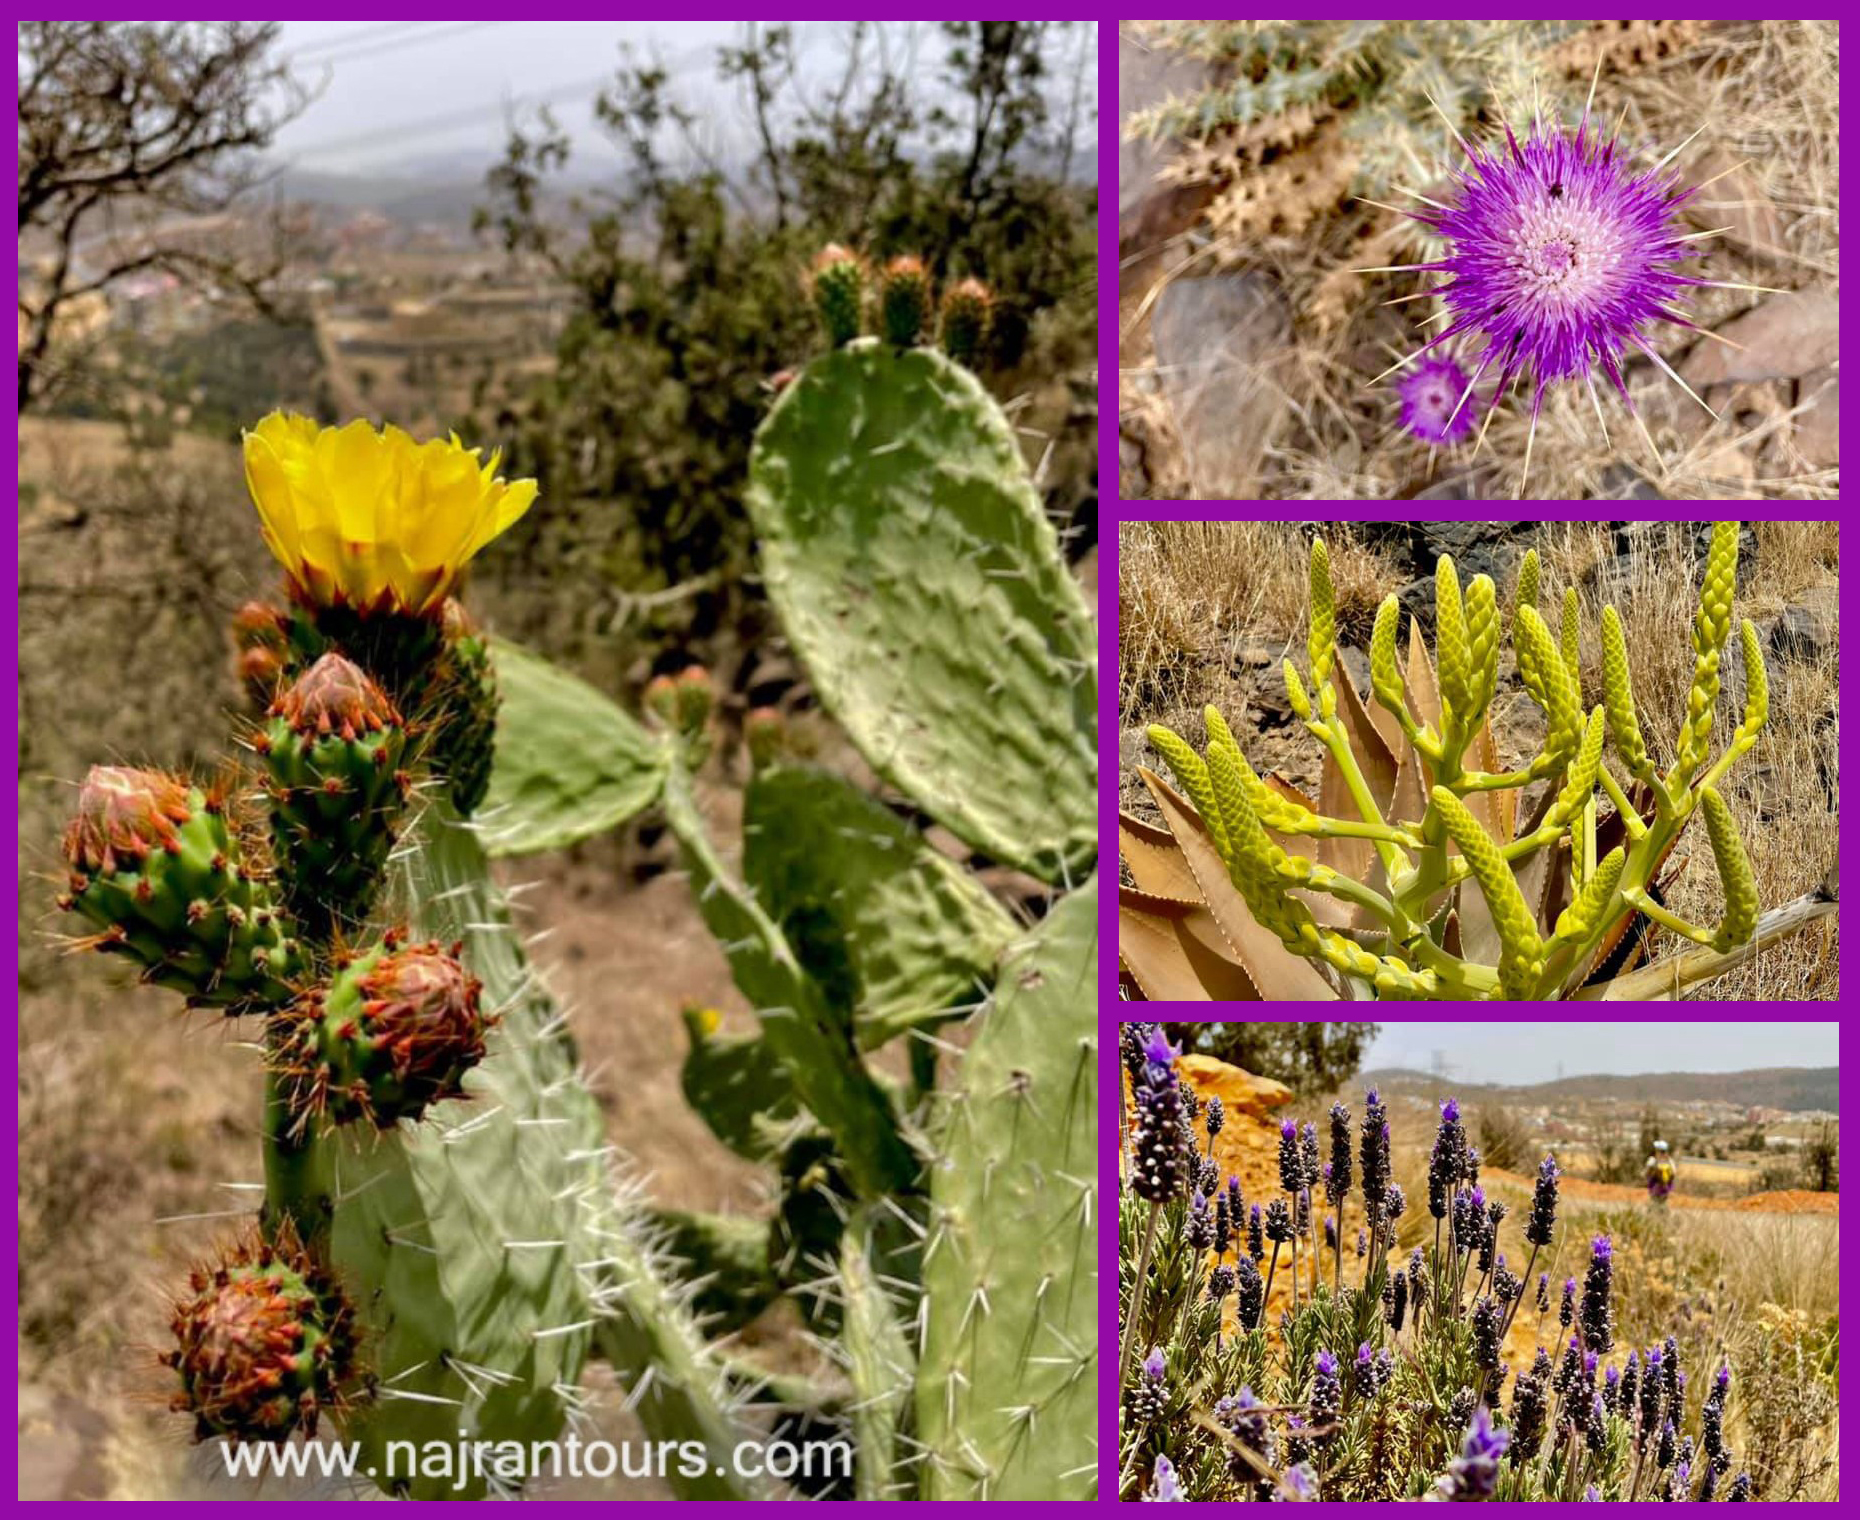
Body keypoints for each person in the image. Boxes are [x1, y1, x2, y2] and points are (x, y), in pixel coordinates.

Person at [1645, 1140, 1676, 1205]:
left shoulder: (1652, 1160)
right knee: (1663, 1203)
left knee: (1654, 1203)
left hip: (1654, 1186)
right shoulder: (1669, 1160)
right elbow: (1673, 1173)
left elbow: (1647, 1173)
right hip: (1666, 1187)